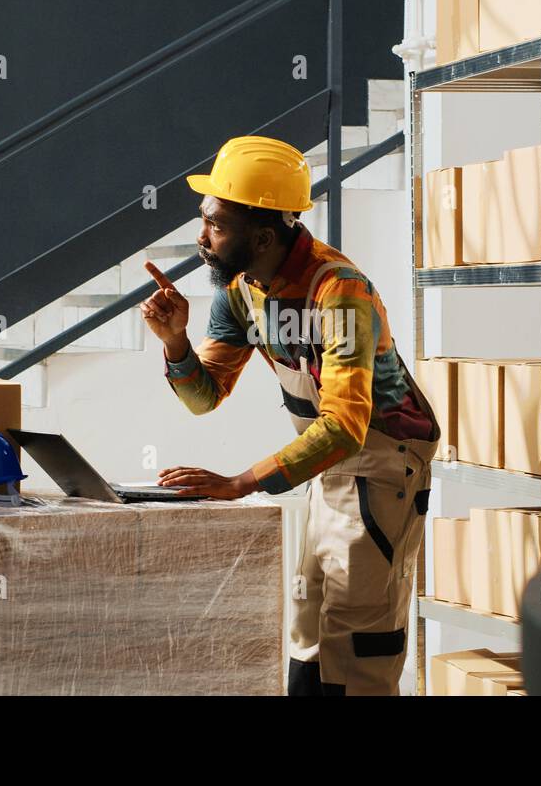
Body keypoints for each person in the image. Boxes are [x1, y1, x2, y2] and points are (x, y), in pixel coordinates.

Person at [140, 135, 439, 696]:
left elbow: (348, 425)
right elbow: (206, 396)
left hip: (381, 467)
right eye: (203, 221)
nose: (202, 238)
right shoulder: (240, 291)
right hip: (327, 468)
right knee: (308, 638)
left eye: (216, 225)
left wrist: (240, 483)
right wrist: (176, 341)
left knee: (357, 649)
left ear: (261, 235)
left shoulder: (339, 290)